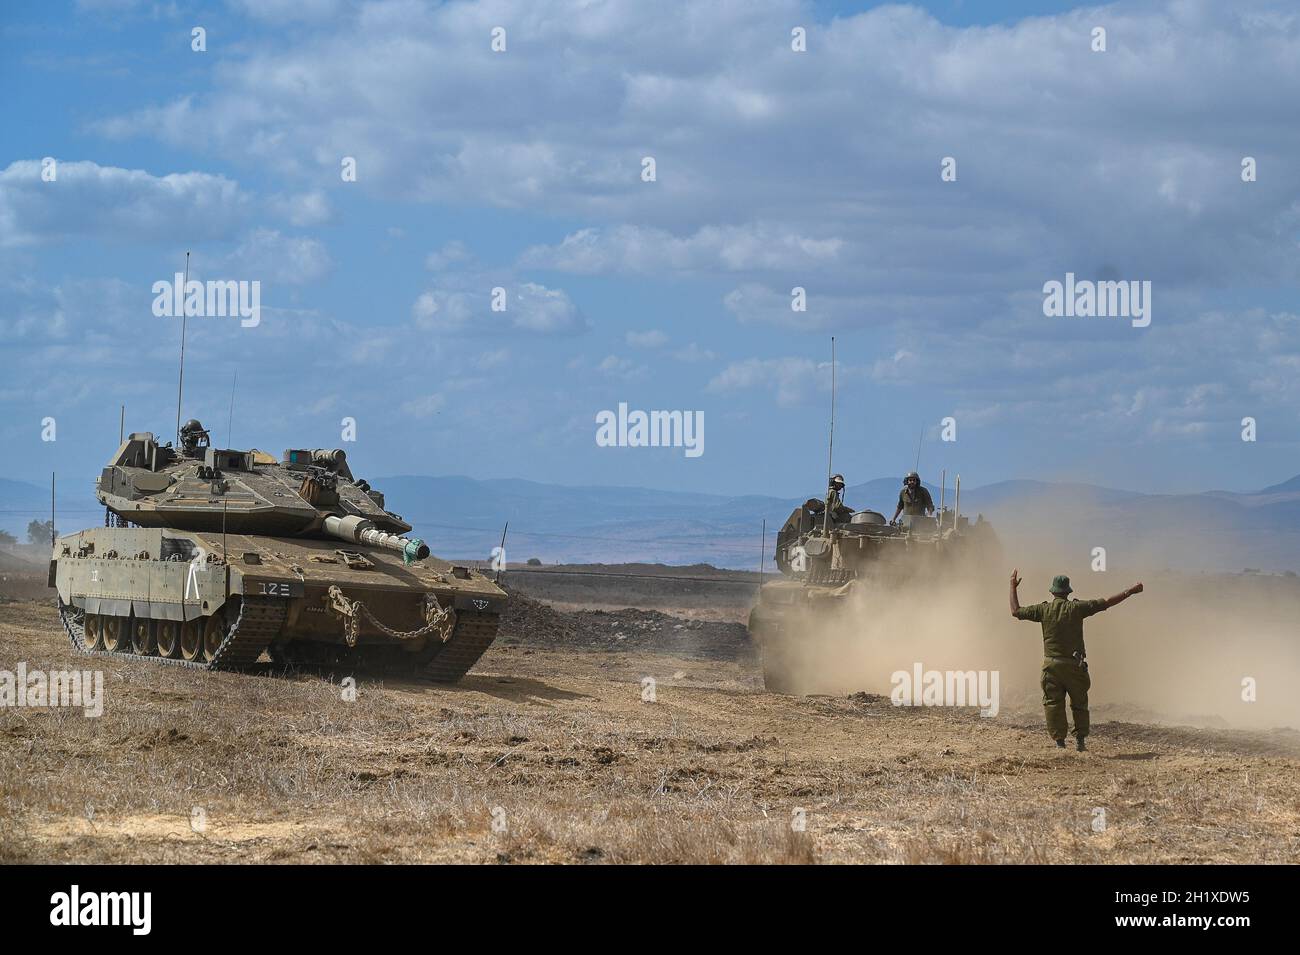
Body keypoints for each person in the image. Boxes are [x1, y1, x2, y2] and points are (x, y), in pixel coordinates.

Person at [1009, 570, 1143, 751]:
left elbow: (1015, 611)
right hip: (1074, 666)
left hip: (1051, 667)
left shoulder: (1043, 610)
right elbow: (1107, 603)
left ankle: (1059, 743)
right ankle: (1080, 742)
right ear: (1068, 592)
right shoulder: (1077, 608)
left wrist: (1012, 586)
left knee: (1053, 704)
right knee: (1079, 704)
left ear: (1052, 592)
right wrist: (1130, 591)